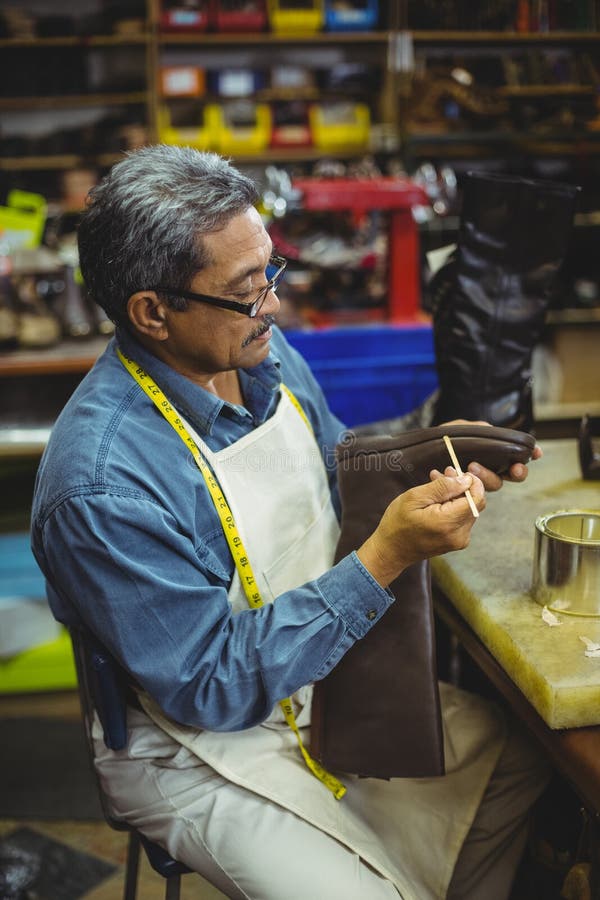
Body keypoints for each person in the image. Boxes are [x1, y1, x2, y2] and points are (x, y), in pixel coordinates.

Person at [31, 145, 548, 900]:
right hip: (198, 741)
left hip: (310, 677)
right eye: (247, 290)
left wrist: (436, 446)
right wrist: (385, 556)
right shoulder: (101, 486)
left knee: (515, 760)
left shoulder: (259, 359)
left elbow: (335, 463)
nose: (272, 305)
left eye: (271, 272)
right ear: (152, 312)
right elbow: (209, 685)